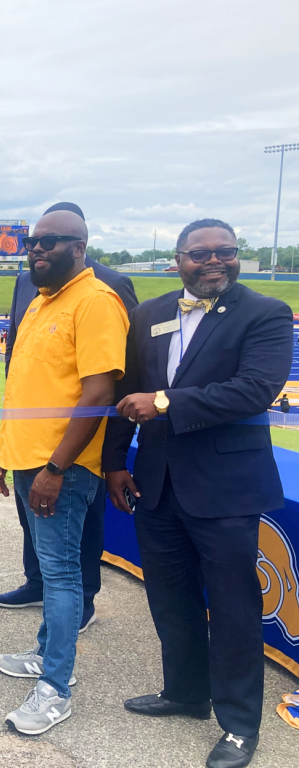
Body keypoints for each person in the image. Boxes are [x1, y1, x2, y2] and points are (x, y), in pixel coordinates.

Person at [103, 219, 293, 768]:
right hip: (157, 483)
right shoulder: (150, 313)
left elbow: (255, 389)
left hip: (226, 488)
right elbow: (123, 395)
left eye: (226, 252)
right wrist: (115, 461)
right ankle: (185, 693)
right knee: (169, 596)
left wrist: (163, 402)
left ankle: (238, 726)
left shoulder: (265, 313)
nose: (214, 262)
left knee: (233, 607)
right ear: (177, 259)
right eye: (200, 254)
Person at [0, 209, 129, 734]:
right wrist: (4, 450)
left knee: (63, 574)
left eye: (50, 241)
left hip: (61, 468)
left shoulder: (95, 303)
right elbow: (27, 387)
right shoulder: (42, 301)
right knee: (50, 571)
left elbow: (98, 395)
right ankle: (46, 653)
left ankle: (56, 688)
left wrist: (54, 467)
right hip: (28, 459)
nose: (37, 249)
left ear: (80, 246)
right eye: (32, 241)